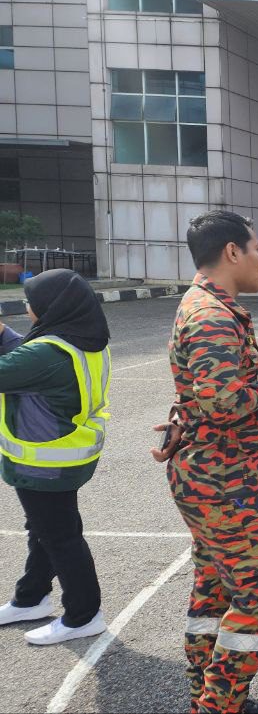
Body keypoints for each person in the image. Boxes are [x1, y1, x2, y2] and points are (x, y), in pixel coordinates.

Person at [157, 210, 258, 714]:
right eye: (256, 248)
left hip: (213, 474)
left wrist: (187, 417)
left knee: (215, 588)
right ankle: (218, 706)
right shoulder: (213, 315)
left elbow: (200, 397)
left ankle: (210, 697)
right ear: (233, 253)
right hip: (222, 480)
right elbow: (222, 400)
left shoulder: (205, 305)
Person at [0, 270, 111, 646]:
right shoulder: (81, 340)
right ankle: (31, 598)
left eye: (30, 301)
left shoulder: (47, 352)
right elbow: (24, 358)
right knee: (45, 529)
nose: (27, 307)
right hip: (63, 457)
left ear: (50, 307)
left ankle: (84, 615)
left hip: (44, 461)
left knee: (60, 537)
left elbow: (18, 365)